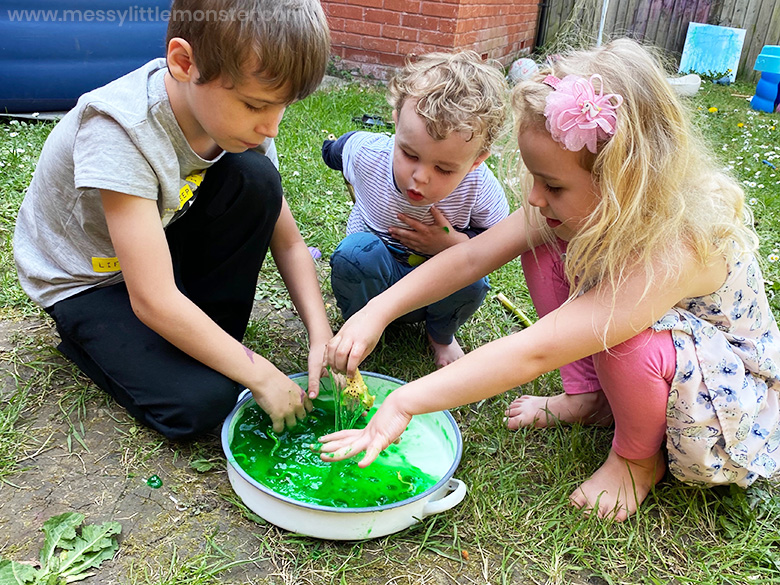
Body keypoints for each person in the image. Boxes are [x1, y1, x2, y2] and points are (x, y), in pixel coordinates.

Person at [318, 38, 780, 521]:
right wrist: (378, 309)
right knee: (543, 242)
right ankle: (587, 396)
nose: (534, 197)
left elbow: (536, 348)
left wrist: (405, 401)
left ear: (624, 180)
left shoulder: (678, 247)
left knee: (625, 339)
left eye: (553, 185)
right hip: (650, 340)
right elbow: (469, 259)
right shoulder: (584, 207)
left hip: (722, 386)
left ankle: (637, 460)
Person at [13, 0, 333, 440]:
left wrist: (321, 336)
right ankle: (85, 340)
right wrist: (261, 375)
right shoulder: (119, 128)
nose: (272, 127)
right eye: (255, 105)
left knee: (257, 179)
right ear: (184, 63)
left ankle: (199, 337)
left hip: (158, 240)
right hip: (91, 279)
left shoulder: (236, 122)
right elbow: (152, 299)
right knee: (203, 403)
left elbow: (290, 242)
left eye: (282, 107)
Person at [321, 51, 510, 368]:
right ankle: (362, 325)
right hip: (376, 277)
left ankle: (441, 335)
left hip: (436, 290)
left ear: (477, 160)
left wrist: (452, 244)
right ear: (395, 124)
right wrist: (329, 149)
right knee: (354, 254)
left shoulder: (480, 186)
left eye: (445, 169)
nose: (420, 177)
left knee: (474, 280)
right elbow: (338, 149)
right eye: (409, 154)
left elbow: (498, 241)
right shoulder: (368, 152)